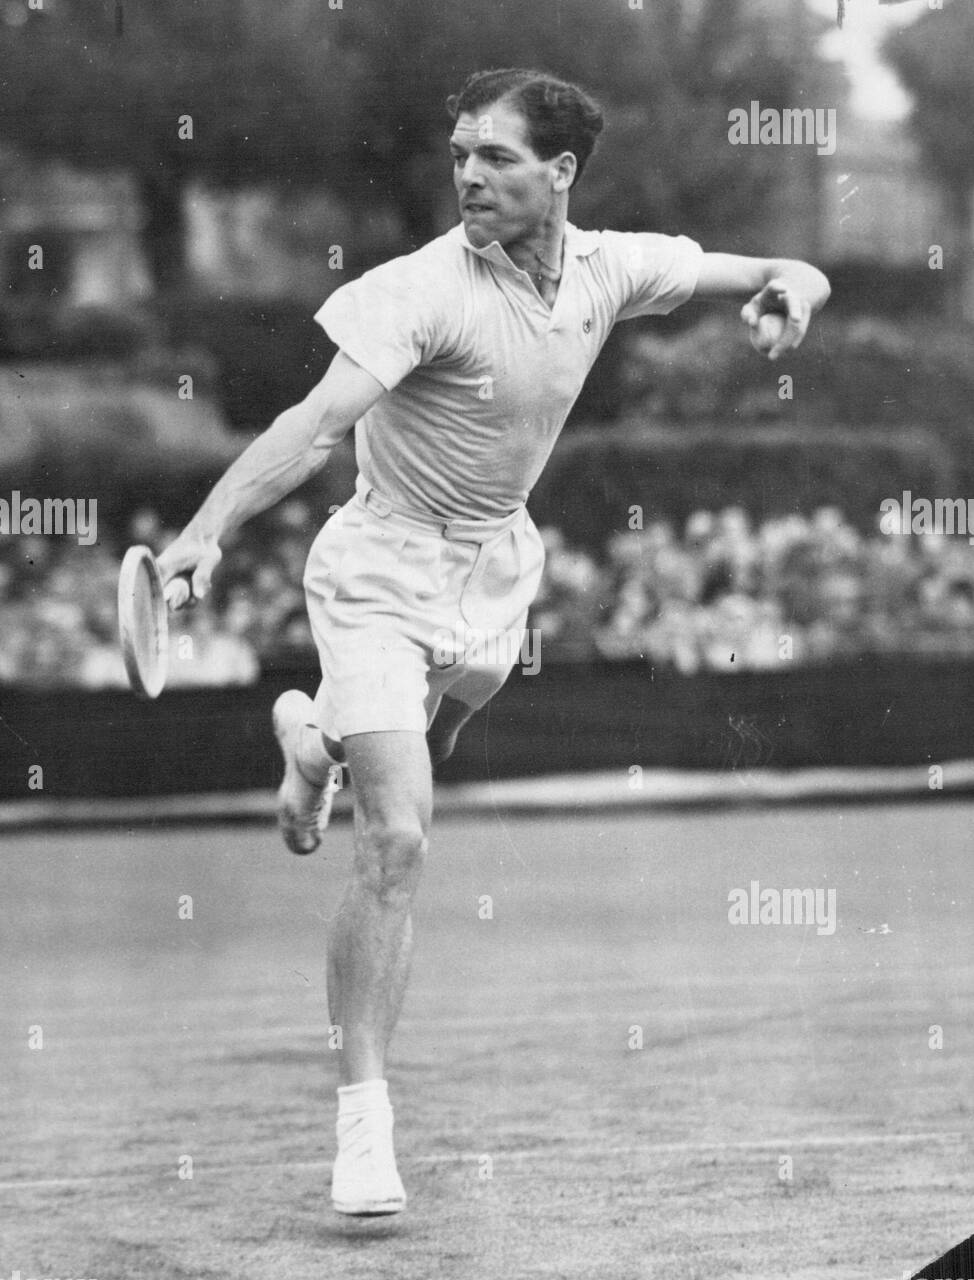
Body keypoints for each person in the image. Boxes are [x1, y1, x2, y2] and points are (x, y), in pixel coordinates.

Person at [158, 68, 830, 1217]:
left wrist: (795, 286)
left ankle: (311, 740)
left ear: (559, 173)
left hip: (494, 573)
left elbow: (768, 265)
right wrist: (206, 531)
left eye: (497, 157)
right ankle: (363, 1124)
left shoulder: (609, 268)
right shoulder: (415, 289)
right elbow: (311, 425)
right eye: (460, 152)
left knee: (425, 750)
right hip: (376, 569)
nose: (468, 173)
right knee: (401, 836)